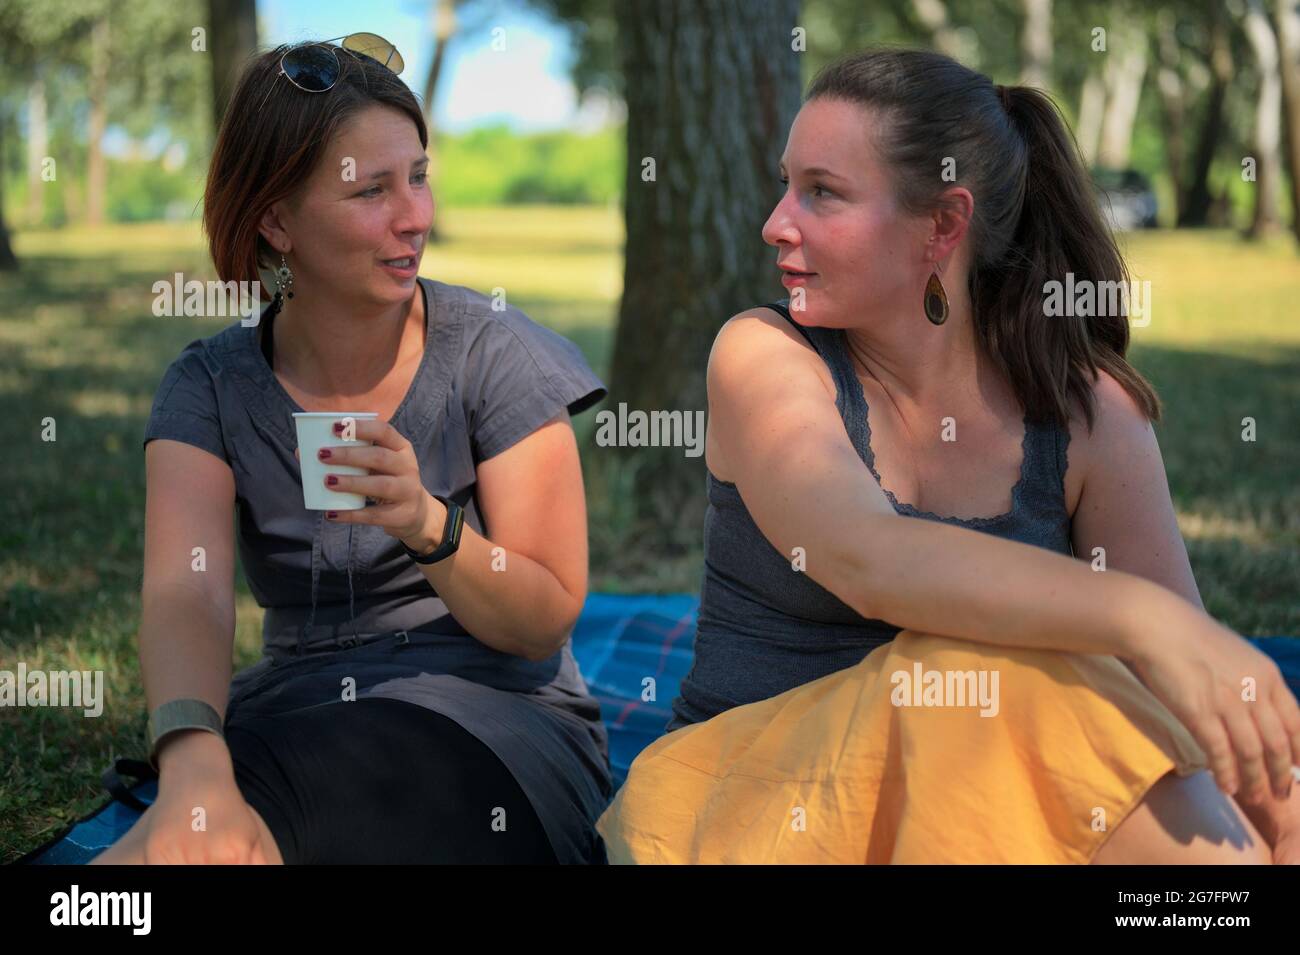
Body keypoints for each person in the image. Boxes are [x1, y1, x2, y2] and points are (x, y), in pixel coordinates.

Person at [596, 48, 1300, 864]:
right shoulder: (762, 357)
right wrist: (1144, 620)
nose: (776, 222)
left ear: (943, 223)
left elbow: (1196, 690)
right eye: (787, 183)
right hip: (749, 804)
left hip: (991, 819)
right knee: (977, 671)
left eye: (821, 192)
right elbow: (872, 557)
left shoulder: (1085, 409)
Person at [92, 35, 612, 864]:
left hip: (489, 720)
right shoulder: (211, 388)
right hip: (292, 714)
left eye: (418, 175)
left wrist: (427, 525)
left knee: (298, 814)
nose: (416, 215)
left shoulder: (492, 353)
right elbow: (187, 598)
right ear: (276, 219)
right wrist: (193, 766)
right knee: (196, 838)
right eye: (372, 189)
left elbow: (543, 616)